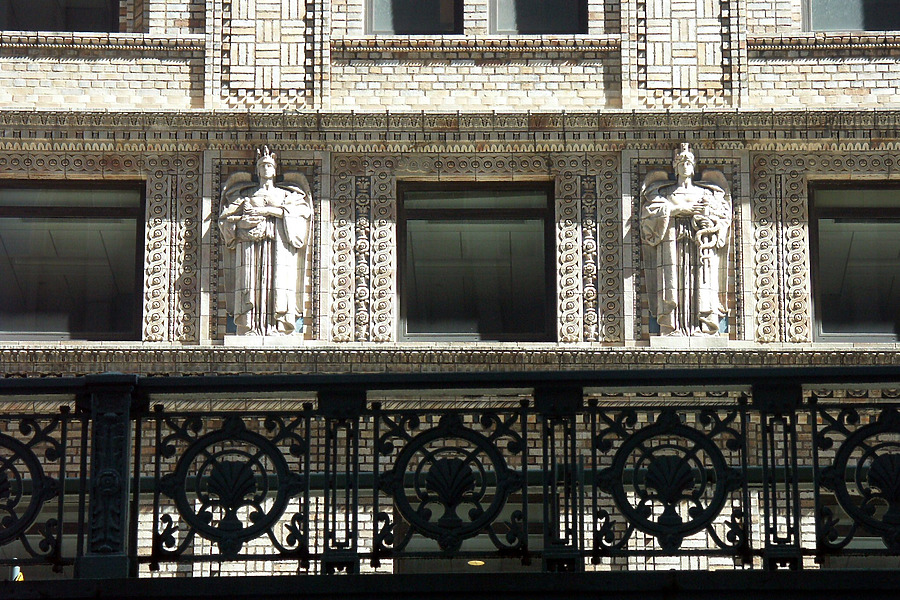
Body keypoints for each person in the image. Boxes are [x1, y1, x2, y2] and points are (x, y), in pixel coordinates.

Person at [219, 146, 313, 336]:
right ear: (257, 170)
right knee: (251, 285)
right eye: (262, 165)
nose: (266, 169)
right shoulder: (246, 195)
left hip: (280, 246)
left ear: (275, 169)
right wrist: (240, 224)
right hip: (250, 247)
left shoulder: (286, 195)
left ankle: (277, 326)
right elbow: (226, 220)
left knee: (279, 284)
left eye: (269, 165)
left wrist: (268, 211)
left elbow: (299, 215)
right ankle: (251, 327)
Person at [640, 144, 731, 336]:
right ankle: (672, 325)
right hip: (672, 245)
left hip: (700, 246)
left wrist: (708, 221)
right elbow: (649, 219)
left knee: (701, 284)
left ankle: (702, 325)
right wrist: (676, 211)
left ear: (694, 166)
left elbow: (721, 218)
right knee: (673, 285)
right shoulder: (665, 193)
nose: (685, 165)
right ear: (674, 166)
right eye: (681, 162)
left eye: (688, 162)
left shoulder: (706, 193)